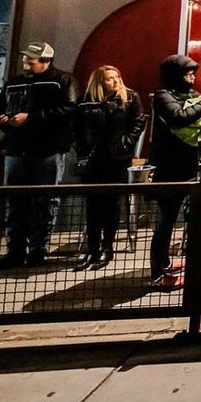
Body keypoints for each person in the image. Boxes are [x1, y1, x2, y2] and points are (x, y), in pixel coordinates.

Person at [0, 42, 77, 269]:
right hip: (16, 147)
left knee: (45, 200)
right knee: (16, 201)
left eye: (32, 60)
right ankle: (16, 249)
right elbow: (1, 108)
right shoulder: (14, 83)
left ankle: (37, 248)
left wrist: (30, 117)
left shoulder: (62, 81)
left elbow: (69, 110)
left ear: (46, 61)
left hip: (47, 149)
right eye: (26, 59)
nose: (26, 63)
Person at [149, 54, 201, 290]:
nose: (193, 77)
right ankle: (157, 272)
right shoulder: (163, 96)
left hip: (191, 166)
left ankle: (168, 261)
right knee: (166, 220)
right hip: (169, 168)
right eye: (188, 73)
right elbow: (178, 118)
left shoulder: (190, 96)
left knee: (189, 217)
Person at [74, 65, 144, 270]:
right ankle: (92, 249)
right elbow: (76, 127)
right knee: (92, 205)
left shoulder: (129, 98)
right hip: (93, 158)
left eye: (117, 77)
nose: (114, 81)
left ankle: (107, 247)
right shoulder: (85, 100)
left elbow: (138, 123)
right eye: (109, 78)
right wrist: (82, 149)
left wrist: (126, 143)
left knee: (112, 204)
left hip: (117, 158)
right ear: (99, 82)